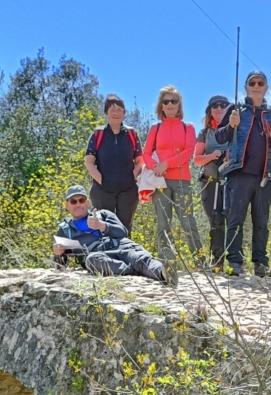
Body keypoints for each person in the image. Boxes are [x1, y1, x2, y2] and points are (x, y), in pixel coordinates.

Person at [214, 71, 271, 277]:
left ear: (266, 88)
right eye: (252, 83)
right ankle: (235, 262)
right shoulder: (235, 109)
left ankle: (261, 263)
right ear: (245, 87)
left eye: (260, 83)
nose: (256, 86)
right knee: (235, 219)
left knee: (261, 221)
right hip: (239, 174)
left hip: (266, 175)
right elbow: (219, 137)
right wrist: (231, 125)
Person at [52, 186, 171, 282]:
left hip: (122, 247)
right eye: (73, 201)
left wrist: (102, 226)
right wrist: (59, 254)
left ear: (87, 203)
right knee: (92, 260)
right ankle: (133, 270)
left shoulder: (103, 214)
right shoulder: (65, 229)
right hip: (100, 257)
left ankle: (164, 272)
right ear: (67, 205)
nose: (78, 204)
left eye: (81, 200)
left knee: (140, 258)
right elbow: (60, 266)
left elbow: (123, 232)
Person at [141, 85, 203, 266]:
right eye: (166, 101)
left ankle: (200, 263)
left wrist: (165, 164)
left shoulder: (188, 127)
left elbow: (189, 152)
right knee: (163, 224)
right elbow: (145, 154)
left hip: (182, 181)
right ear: (161, 105)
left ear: (179, 105)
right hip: (160, 182)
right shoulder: (155, 128)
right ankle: (166, 264)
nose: (170, 104)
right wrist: (155, 167)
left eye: (173, 101)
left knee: (188, 223)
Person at [84, 94, 143, 233]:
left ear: (124, 113)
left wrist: (131, 177)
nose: (116, 113)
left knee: (124, 229)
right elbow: (89, 162)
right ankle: (104, 255)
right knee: (102, 228)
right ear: (106, 113)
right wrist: (102, 181)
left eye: (119, 110)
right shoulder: (97, 134)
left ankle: (125, 254)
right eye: (112, 110)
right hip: (102, 191)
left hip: (128, 191)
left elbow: (140, 161)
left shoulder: (132, 134)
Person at [194, 95, 232, 270]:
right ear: (209, 111)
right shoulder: (204, 133)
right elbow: (197, 159)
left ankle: (234, 261)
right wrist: (212, 156)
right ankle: (217, 261)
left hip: (231, 181)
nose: (218, 108)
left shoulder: (235, 130)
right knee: (215, 221)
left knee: (233, 220)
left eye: (223, 105)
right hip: (210, 182)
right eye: (214, 105)